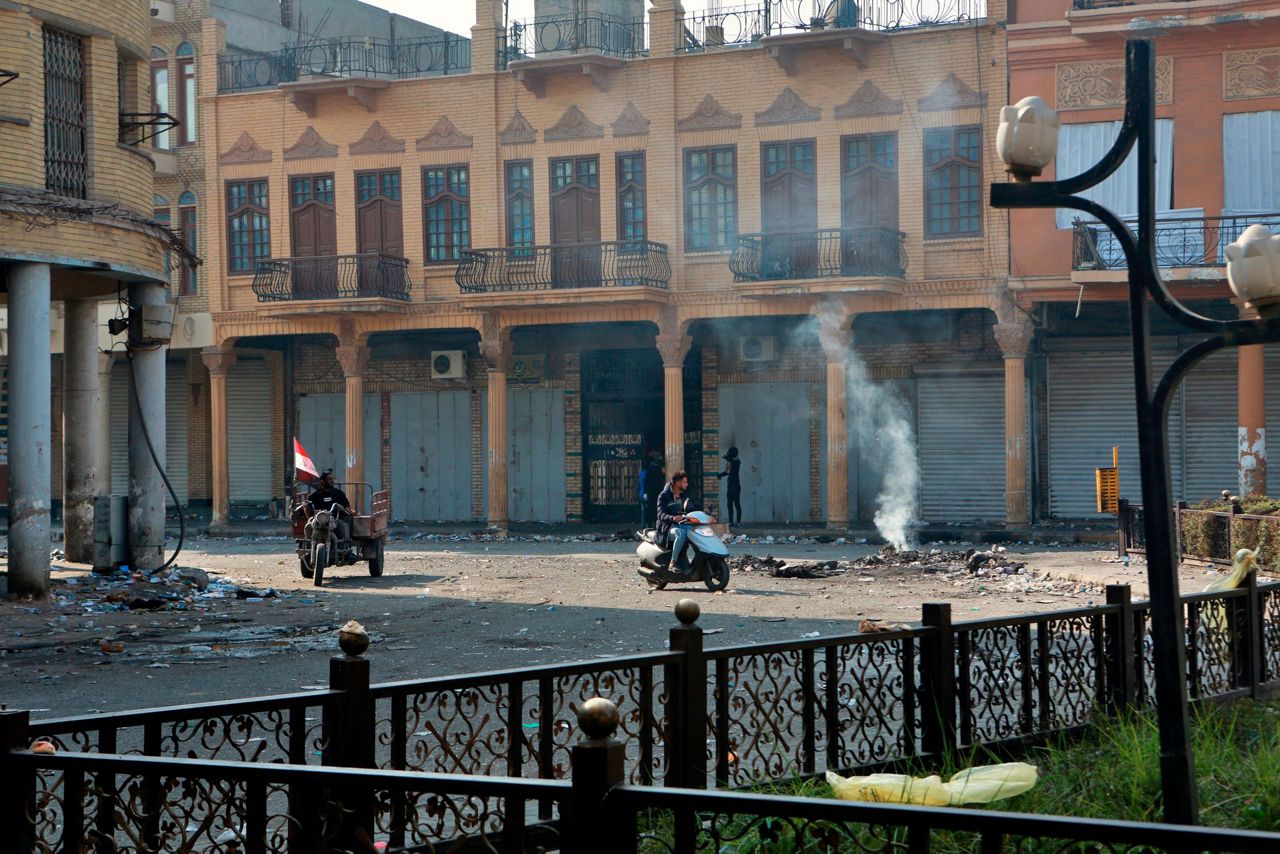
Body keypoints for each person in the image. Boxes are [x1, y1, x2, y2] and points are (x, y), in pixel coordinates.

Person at [657, 470, 694, 574]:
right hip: (667, 527)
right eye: (684, 482)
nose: (687, 484)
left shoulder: (684, 496)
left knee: (695, 531)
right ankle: (672, 564)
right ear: (678, 483)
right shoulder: (664, 496)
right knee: (681, 533)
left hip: (681, 524)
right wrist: (672, 518)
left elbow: (692, 509)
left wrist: (705, 514)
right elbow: (660, 514)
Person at [308, 470, 352, 550]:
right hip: (318, 519)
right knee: (308, 525)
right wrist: (307, 507)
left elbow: (347, 508)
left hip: (335, 519)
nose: (332, 481)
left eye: (332, 479)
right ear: (322, 481)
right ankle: (308, 545)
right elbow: (309, 507)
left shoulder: (339, 493)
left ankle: (345, 547)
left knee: (343, 525)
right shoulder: (314, 496)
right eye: (329, 479)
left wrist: (344, 509)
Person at [717, 446, 742, 526]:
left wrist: (728, 459)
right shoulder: (730, 461)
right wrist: (720, 475)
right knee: (729, 504)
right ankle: (731, 521)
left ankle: (738, 522)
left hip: (735, 486)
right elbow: (727, 471)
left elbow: (734, 466)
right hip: (730, 486)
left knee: (737, 504)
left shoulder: (737, 461)